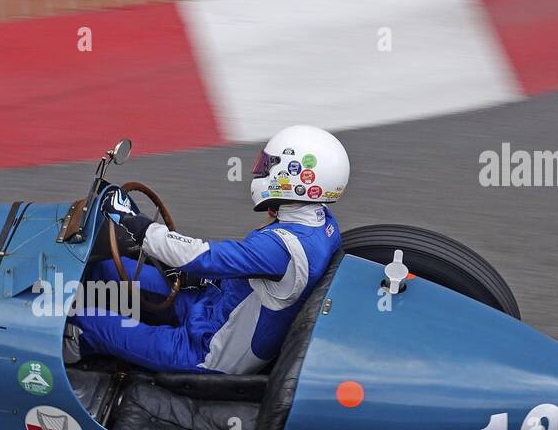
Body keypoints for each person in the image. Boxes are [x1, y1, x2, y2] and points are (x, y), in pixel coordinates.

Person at [65, 125, 347, 374]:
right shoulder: (321, 223)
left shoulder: (282, 247)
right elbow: (243, 268)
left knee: (89, 322)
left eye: (269, 165)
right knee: (106, 268)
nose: (261, 170)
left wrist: (136, 225)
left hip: (205, 352)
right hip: (210, 308)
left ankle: (64, 367)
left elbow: (204, 257)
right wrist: (199, 278)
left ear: (297, 177)